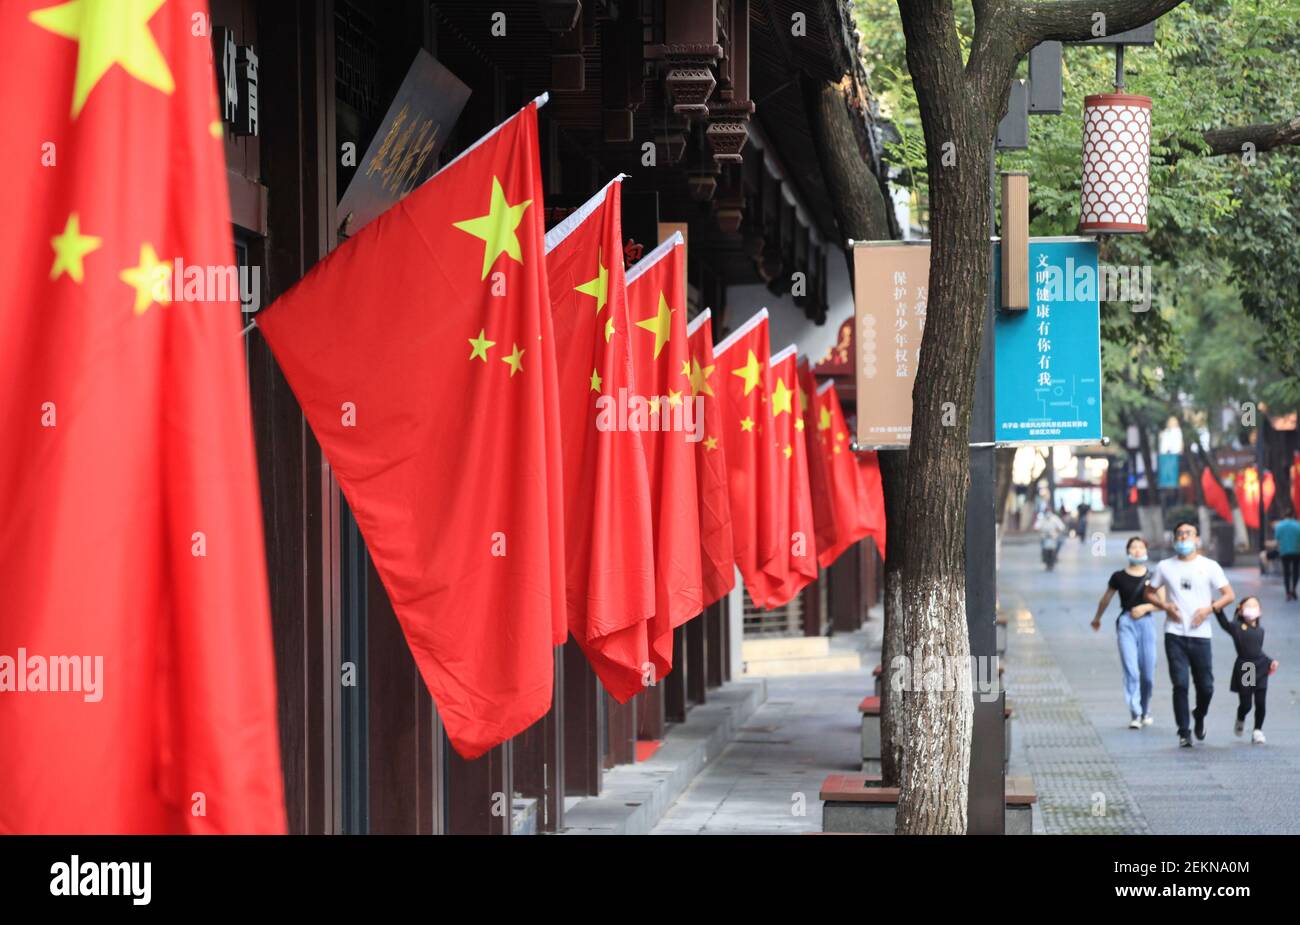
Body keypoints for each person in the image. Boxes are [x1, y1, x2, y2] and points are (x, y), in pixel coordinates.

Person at [1145, 520, 1235, 748]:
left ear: (1197, 538)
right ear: (1174, 540)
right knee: (1180, 684)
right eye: (1179, 534)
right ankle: (1184, 731)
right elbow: (1149, 592)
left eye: (1189, 533)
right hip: (1174, 633)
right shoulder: (1165, 566)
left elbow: (1228, 595)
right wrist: (1165, 607)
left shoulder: (1210, 566)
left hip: (1201, 634)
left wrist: (1208, 610)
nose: (1184, 538)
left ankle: (1199, 715)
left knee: (1206, 686)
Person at [1091, 537, 1158, 728]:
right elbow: (1106, 599)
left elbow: (1162, 603)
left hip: (1146, 623)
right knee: (1131, 670)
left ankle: (1146, 709)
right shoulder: (1118, 576)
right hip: (1126, 624)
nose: (1137, 550)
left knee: (1147, 673)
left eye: (1141, 546)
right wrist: (1097, 618)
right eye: (1133, 547)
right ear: (1128, 551)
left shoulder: (1152, 577)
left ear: (1146, 550)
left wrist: (1145, 608)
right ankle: (1135, 713)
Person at [1214, 596, 1279, 744]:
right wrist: (1217, 610)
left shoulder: (1261, 631)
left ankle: (1258, 730)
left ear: (1260, 611)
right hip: (1247, 668)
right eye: (1248, 606)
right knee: (1246, 704)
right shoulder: (1237, 627)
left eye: (1254, 606)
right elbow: (1224, 624)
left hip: (1261, 666)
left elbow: (1257, 651)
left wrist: (1270, 661)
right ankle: (1241, 717)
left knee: (1261, 702)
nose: (1252, 609)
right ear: (1241, 610)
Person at [1274, 508, 1300, 600]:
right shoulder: (1298, 525)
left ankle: (1287, 592)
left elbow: (1277, 539)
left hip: (1284, 551)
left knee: (1286, 572)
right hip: (1296, 551)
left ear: (1285, 516)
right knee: (1296, 571)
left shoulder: (1279, 526)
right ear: (1293, 515)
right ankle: (1294, 589)